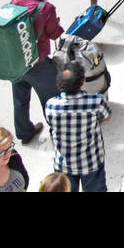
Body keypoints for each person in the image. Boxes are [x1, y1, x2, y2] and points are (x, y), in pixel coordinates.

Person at [7, 0, 64, 146]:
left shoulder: (14, 3)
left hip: (17, 62)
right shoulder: (46, 8)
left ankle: (24, 131)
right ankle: (59, 132)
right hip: (38, 63)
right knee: (52, 98)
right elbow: (55, 33)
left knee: (20, 98)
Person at [44, 59, 111, 192]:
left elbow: (50, 122)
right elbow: (107, 117)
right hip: (91, 162)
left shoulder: (51, 105)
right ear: (82, 81)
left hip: (64, 165)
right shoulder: (96, 102)